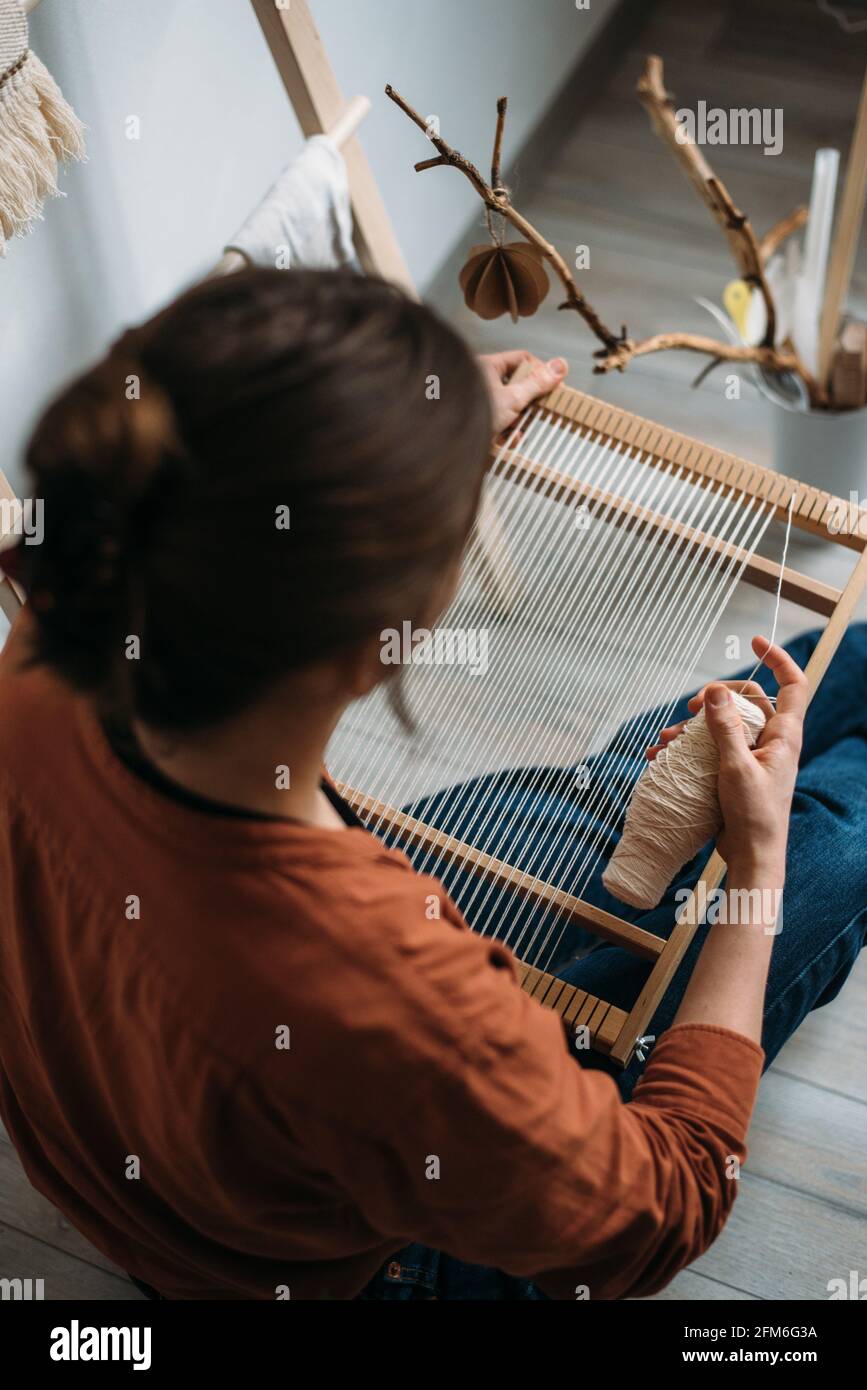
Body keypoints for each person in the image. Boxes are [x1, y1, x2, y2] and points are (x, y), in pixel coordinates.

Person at [0, 268, 863, 1302]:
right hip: (379, 1268)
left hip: (183, 1160)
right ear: (379, 646)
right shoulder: (382, 996)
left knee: (639, 781)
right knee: (833, 841)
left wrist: (422, 441)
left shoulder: (63, 630)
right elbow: (666, 1204)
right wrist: (753, 870)